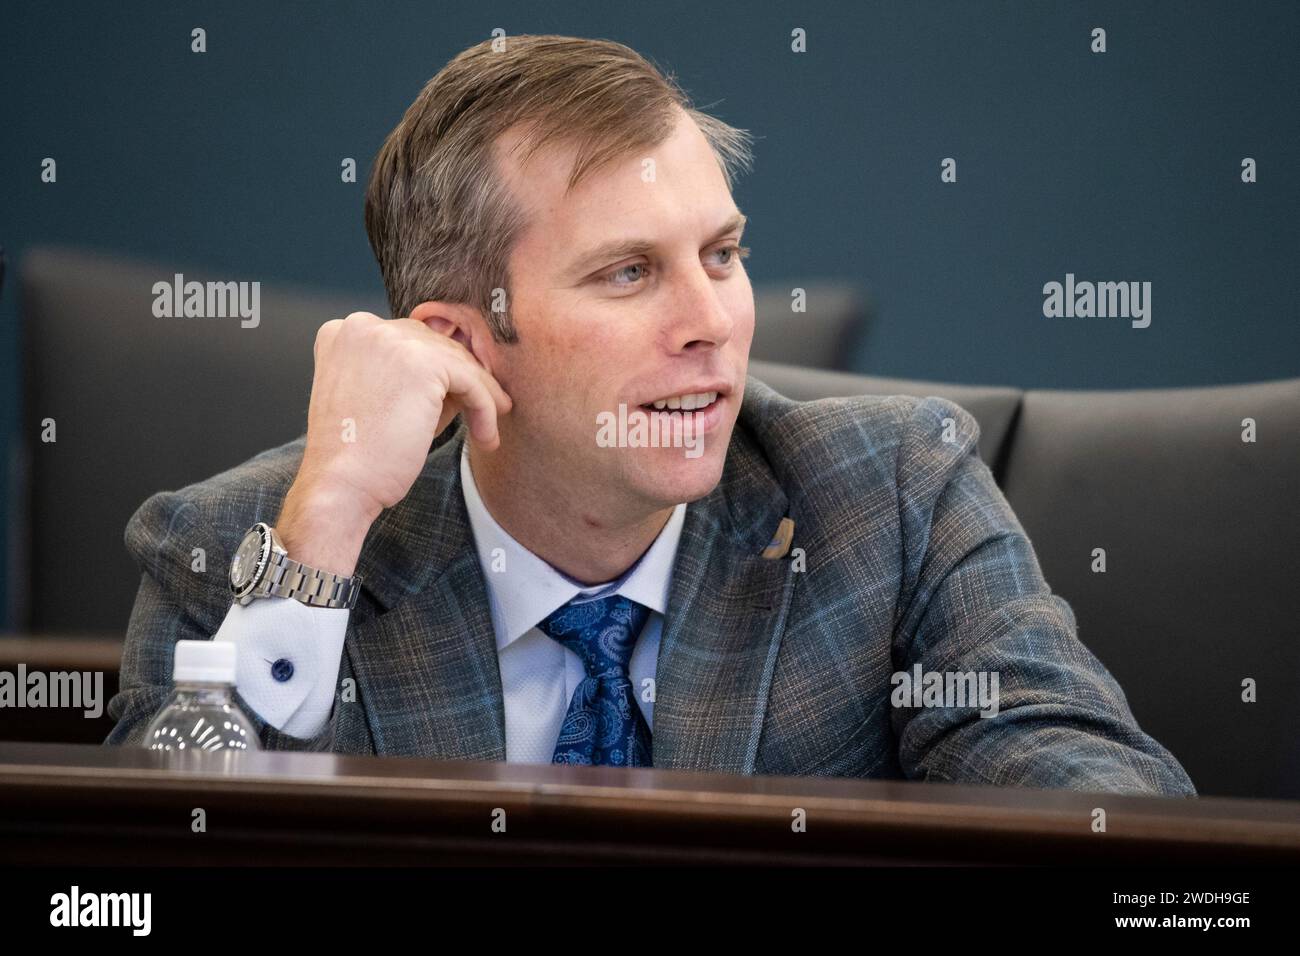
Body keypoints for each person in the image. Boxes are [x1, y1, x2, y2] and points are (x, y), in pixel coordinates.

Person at [106, 34, 1195, 794]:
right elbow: (145, 878)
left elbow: (1097, 798)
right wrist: (324, 532)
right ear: (461, 344)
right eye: (628, 273)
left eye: (722, 254)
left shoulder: (893, 499)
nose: (711, 321)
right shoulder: (234, 546)